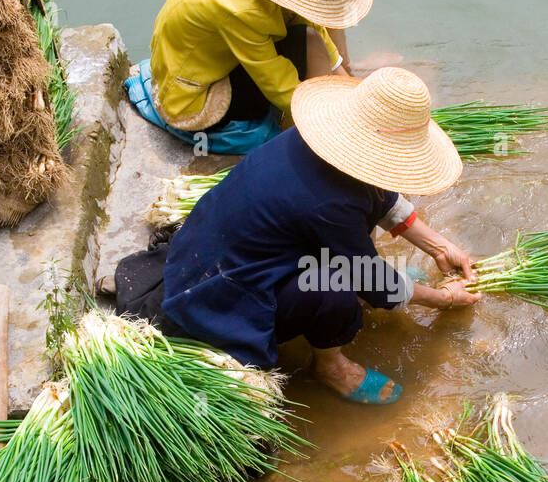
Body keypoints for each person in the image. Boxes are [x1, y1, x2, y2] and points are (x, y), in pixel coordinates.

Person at [155, 67, 480, 404]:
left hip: (207, 253)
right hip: (221, 294)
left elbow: (377, 195)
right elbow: (371, 277)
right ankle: (331, 366)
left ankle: (355, 305)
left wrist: (440, 246)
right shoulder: (329, 203)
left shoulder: (316, 141)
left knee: (354, 269)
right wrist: (444, 298)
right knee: (335, 284)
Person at [127, 0, 372, 154]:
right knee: (311, 51)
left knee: (318, 41)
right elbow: (278, 83)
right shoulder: (237, 7)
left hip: (210, 58)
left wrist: (344, 75)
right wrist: (329, 118)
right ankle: (315, 145)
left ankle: (343, 92)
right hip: (196, 97)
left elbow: (307, 17)